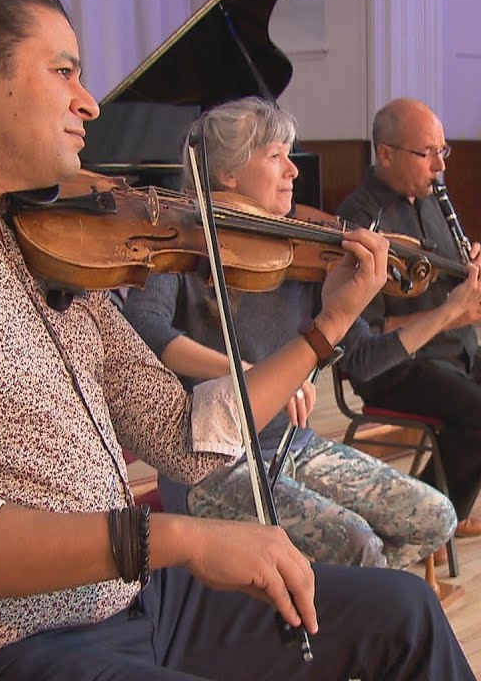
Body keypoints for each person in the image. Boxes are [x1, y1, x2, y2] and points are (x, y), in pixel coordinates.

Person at [0, 0, 474, 681]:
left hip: (131, 602)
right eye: (64, 72)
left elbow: (186, 440)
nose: (88, 103)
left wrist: (328, 325)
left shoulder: (41, 241)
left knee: (404, 612)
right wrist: (173, 537)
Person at [121, 97, 456, 569]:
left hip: (292, 445)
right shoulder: (182, 243)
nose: (293, 171)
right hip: (211, 463)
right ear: (230, 174)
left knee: (435, 516)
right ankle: (341, 614)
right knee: (357, 544)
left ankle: (336, 601)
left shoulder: (298, 248)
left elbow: (358, 354)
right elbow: (145, 329)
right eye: (276, 156)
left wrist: (354, 302)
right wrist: (250, 376)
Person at [335, 98, 481, 539]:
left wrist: (474, 271)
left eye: (445, 151)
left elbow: (445, 284)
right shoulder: (362, 220)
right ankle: (422, 522)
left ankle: (445, 499)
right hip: (397, 368)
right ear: (385, 153)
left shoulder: (433, 200)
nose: (440, 166)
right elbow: (363, 340)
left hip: (457, 353)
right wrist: (455, 314)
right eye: (429, 153)